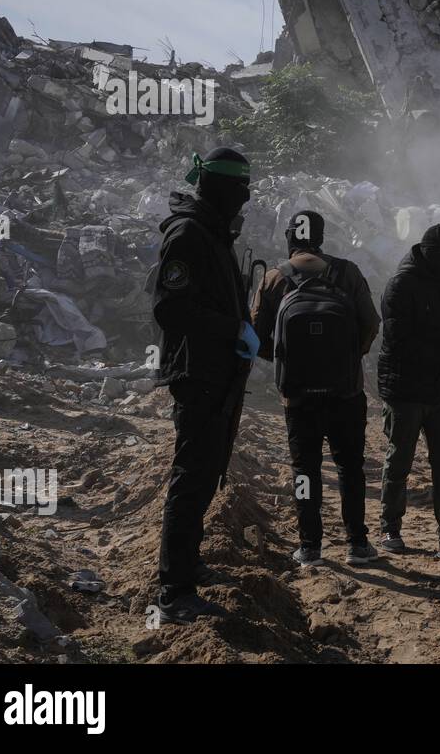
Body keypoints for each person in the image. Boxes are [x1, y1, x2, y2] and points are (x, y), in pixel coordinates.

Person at [152, 147, 258, 624]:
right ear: (220, 188)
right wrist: (232, 330)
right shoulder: (189, 233)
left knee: (207, 472)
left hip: (216, 376)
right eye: (241, 190)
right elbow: (170, 309)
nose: (245, 200)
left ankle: (188, 564)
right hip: (196, 374)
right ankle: (175, 592)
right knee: (192, 479)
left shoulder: (213, 233)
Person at [251, 210, 381, 567]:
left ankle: (310, 546)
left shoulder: (275, 277)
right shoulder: (347, 272)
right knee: (350, 468)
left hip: (298, 396)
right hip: (346, 392)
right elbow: (371, 323)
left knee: (305, 470)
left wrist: (285, 360)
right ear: (321, 237)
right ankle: (357, 544)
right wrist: (349, 358)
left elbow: (256, 336)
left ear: (290, 238)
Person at [377, 224, 440, 558]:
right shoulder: (399, 286)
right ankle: (390, 529)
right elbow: (400, 343)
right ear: (427, 254)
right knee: (399, 462)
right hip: (406, 390)